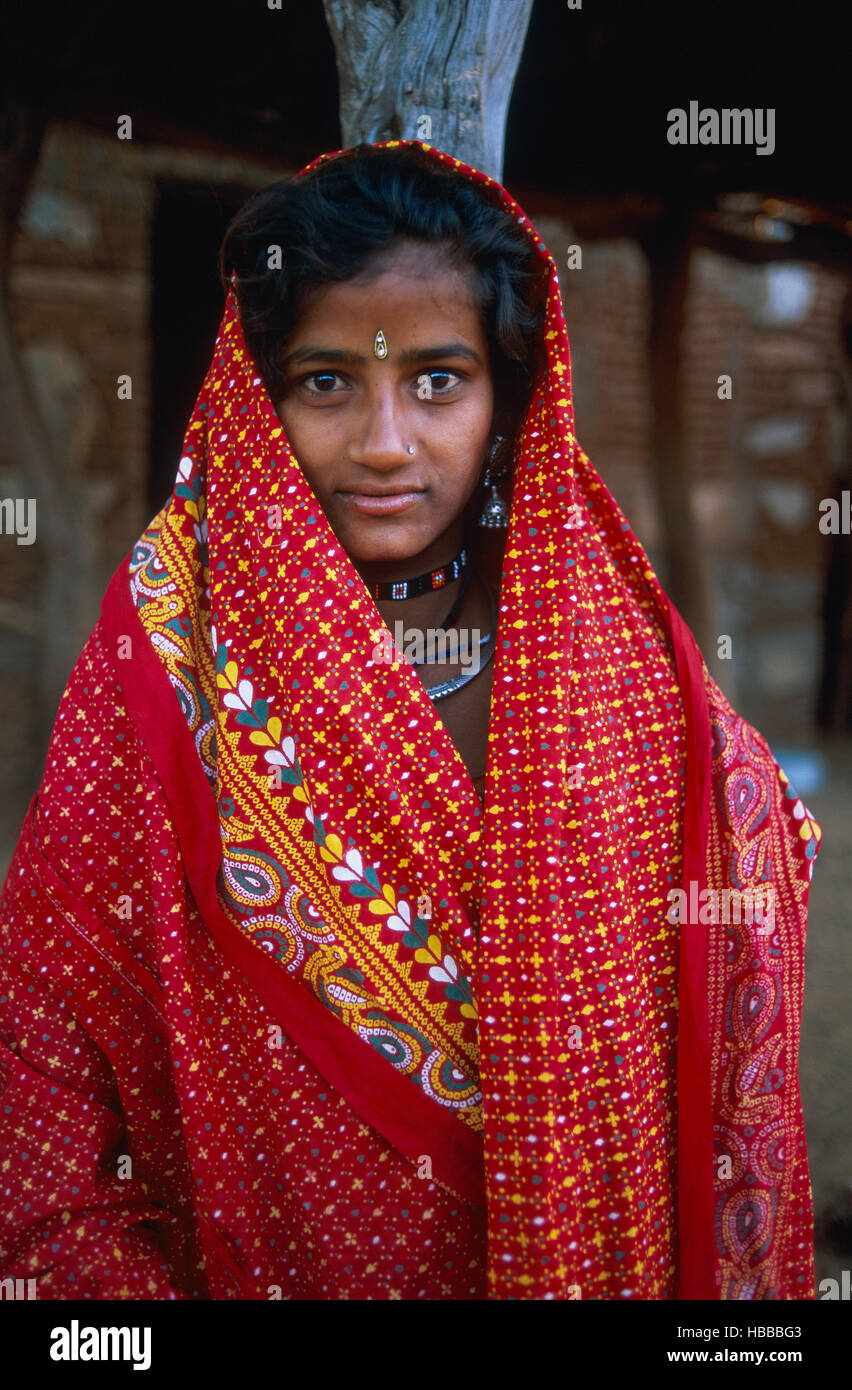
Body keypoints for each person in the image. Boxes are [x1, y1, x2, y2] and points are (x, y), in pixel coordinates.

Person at [0, 140, 823, 1301]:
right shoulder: (167, 651)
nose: (386, 442)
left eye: (438, 378)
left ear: (509, 394)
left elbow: (748, 845)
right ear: (261, 397)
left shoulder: (612, 662)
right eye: (327, 380)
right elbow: (49, 1019)